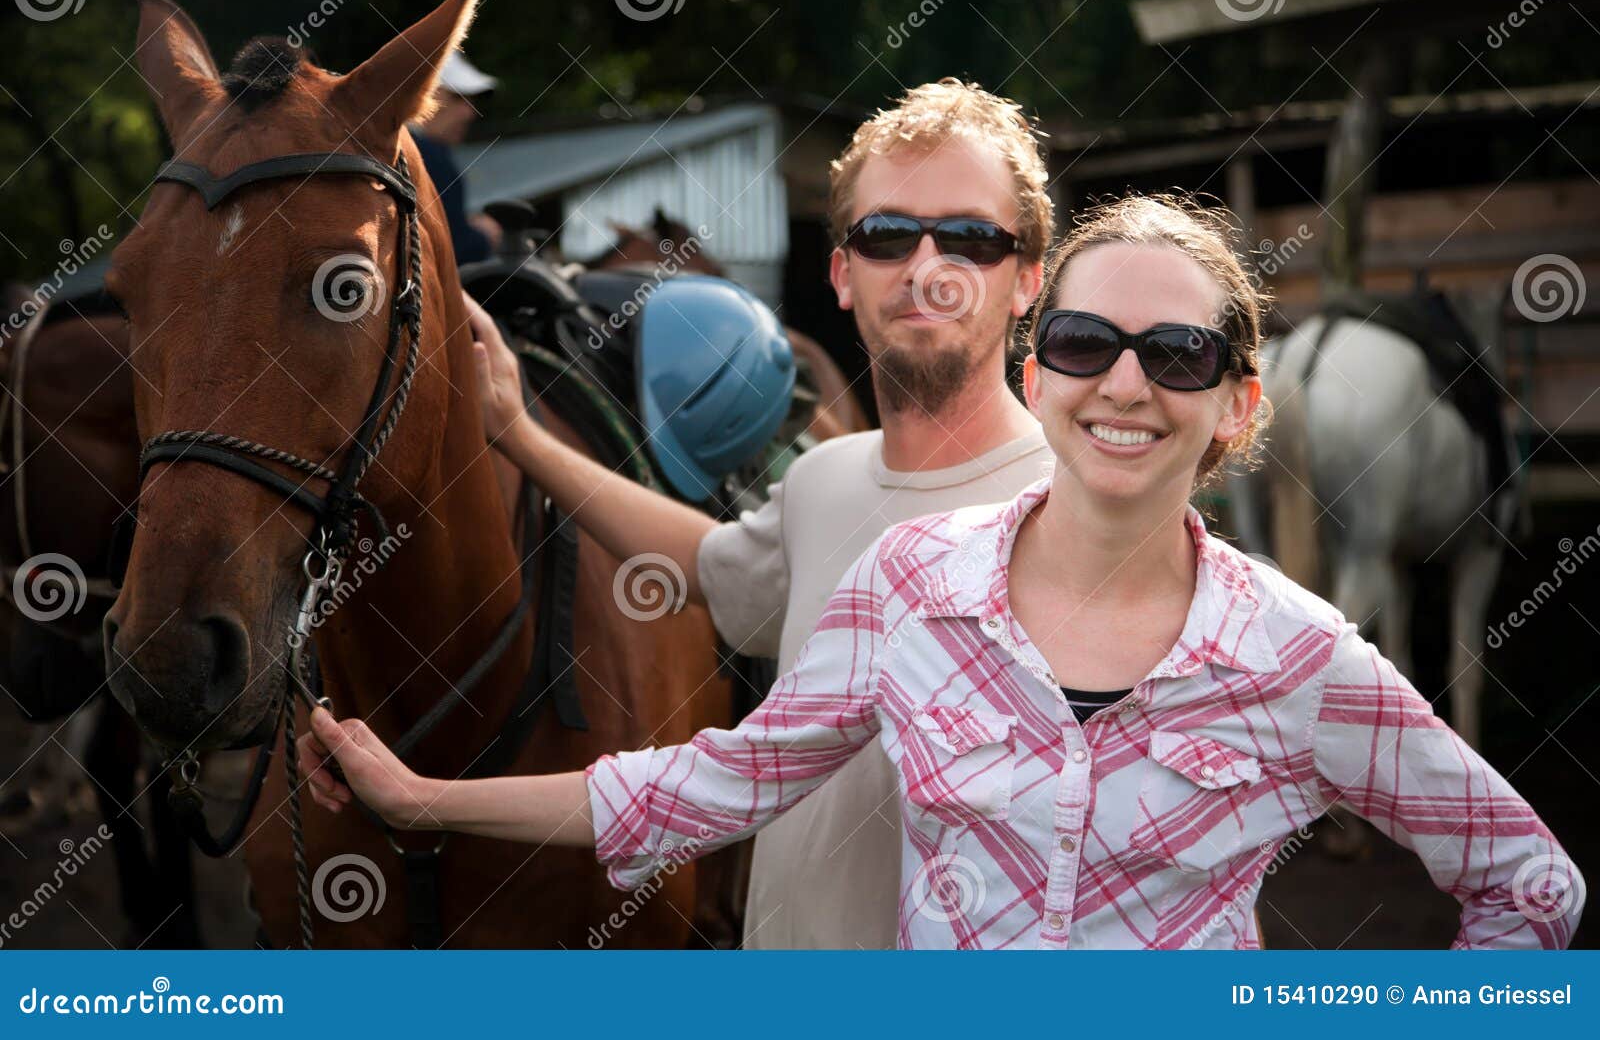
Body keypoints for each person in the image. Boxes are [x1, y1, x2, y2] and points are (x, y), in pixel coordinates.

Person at [300, 193, 1585, 949]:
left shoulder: (1299, 652)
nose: (1125, 382)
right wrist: (419, 801)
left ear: (1237, 409)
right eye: (1084, 340)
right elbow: (714, 781)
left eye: (1179, 354)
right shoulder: (911, 580)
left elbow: (1532, 883)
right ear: (1037, 372)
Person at [460, 78, 1057, 948]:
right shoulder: (823, 483)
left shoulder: (1077, 511)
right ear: (842, 275)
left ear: (1028, 278)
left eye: (970, 238)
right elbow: (712, 565)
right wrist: (521, 434)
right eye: (887, 236)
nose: (927, 269)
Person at [409, 50, 501, 265]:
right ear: (421, 95)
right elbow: (452, 251)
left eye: (471, 101)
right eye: (457, 97)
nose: (469, 113)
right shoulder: (428, 157)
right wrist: (486, 237)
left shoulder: (388, 149)